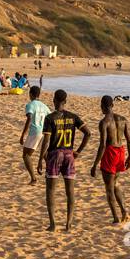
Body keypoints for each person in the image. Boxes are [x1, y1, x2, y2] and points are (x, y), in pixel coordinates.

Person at [35, 89, 90, 232]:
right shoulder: (73, 117)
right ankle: (68, 223)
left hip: (55, 154)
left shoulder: (50, 118)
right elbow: (88, 133)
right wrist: (78, 151)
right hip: (69, 155)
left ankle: (53, 224)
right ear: (65, 101)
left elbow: (46, 141)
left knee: (50, 191)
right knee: (70, 191)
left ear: (54, 100)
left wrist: (40, 159)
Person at [91, 95, 130, 223]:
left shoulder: (104, 122)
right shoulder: (123, 119)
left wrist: (95, 164)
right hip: (121, 152)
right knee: (115, 184)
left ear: (102, 106)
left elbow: (103, 145)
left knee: (109, 188)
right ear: (112, 105)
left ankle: (115, 218)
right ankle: (124, 210)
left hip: (110, 152)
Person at [19, 85, 51, 185]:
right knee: (44, 153)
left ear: (31, 94)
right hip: (45, 132)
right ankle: (52, 173)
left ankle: (33, 179)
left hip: (35, 131)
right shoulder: (44, 106)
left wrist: (23, 135)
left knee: (26, 155)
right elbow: (50, 117)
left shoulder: (30, 105)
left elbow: (29, 118)